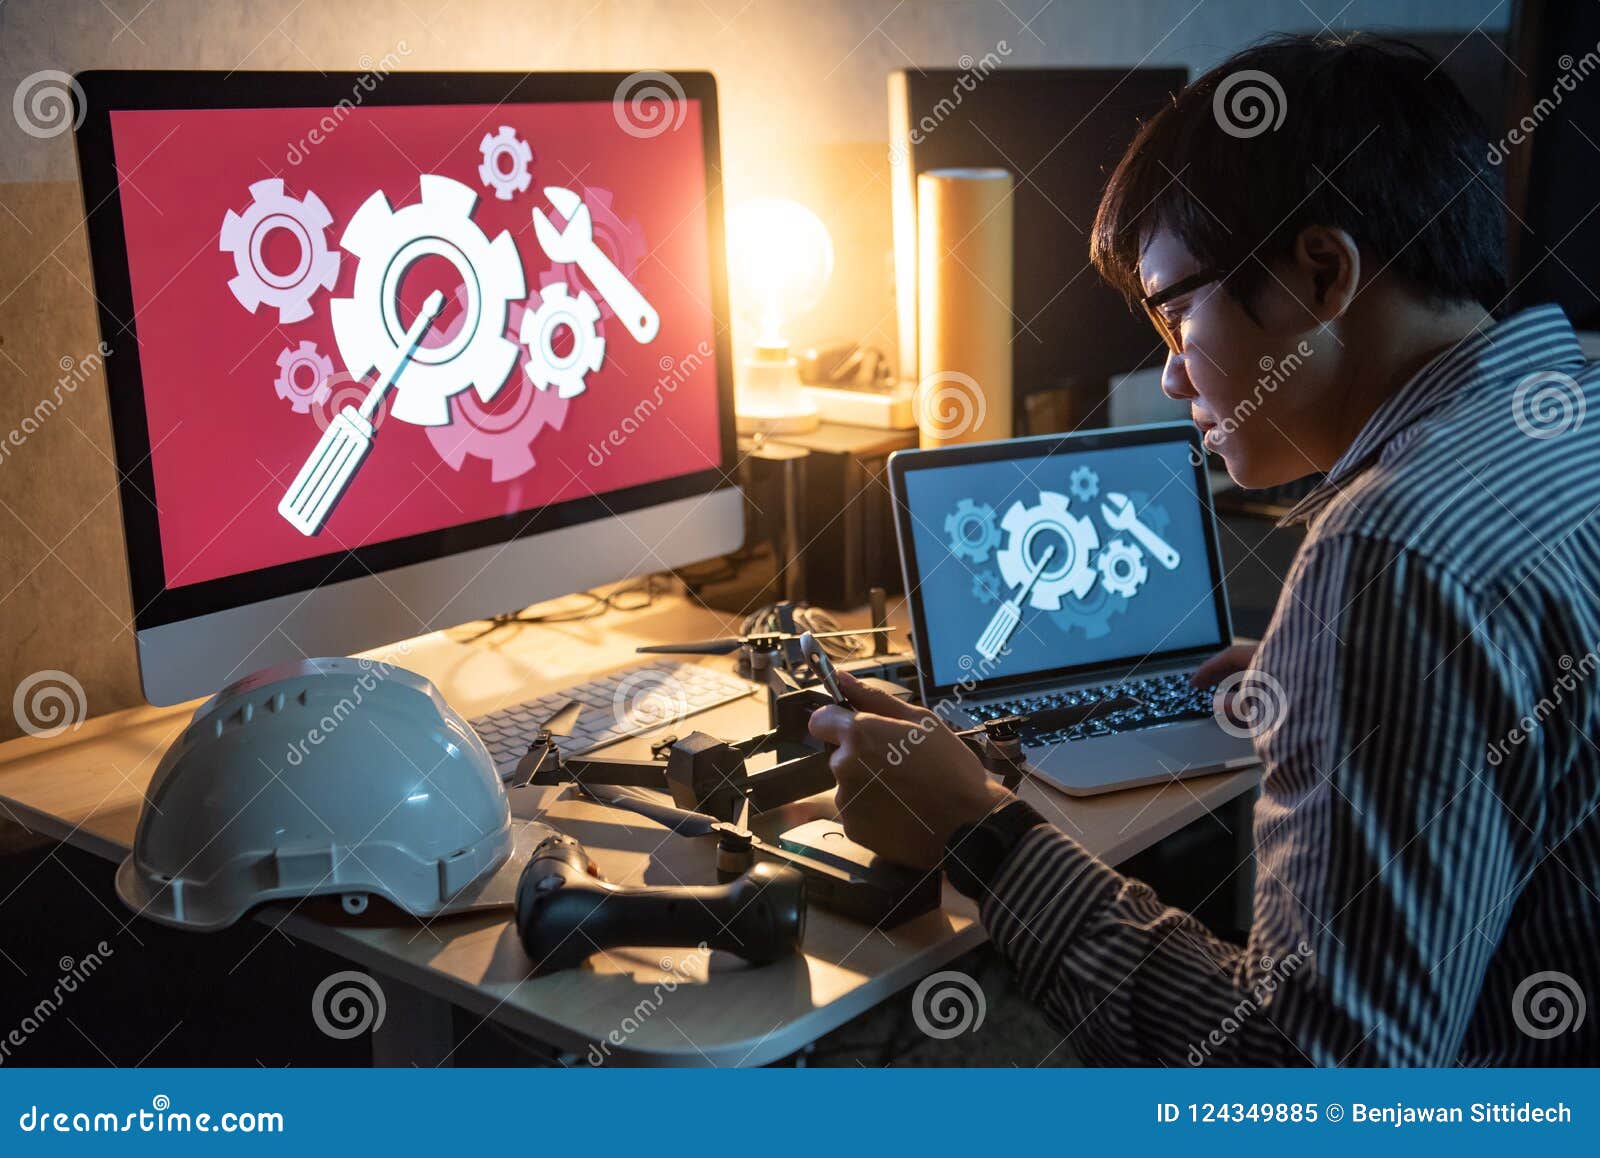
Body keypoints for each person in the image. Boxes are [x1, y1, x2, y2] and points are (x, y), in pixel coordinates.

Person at [810, 34, 1600, 1065]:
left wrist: (983, 835)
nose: (1176, 377)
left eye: (1177, 311)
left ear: (1322, 272)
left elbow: (1314, 1085)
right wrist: (1332, 684)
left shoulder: (1387, 556)